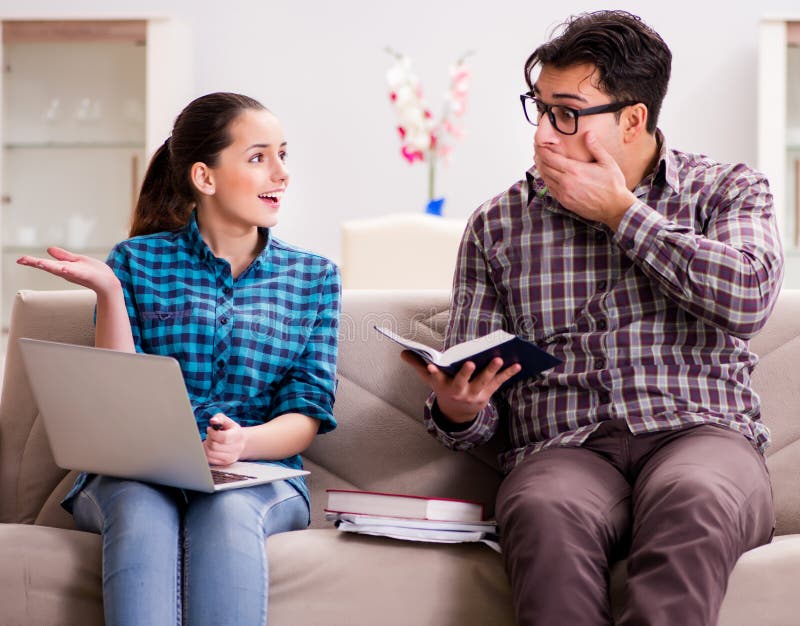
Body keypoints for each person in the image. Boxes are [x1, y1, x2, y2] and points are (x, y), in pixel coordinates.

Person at [400, 11, 783, 626]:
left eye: (568, 113)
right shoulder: (497, 225)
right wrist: (460, 407)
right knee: (542, 508)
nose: (544, 135)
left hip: (703, 436)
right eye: (540, 107)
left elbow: (748, 297)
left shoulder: (726, 191)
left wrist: (622, 215)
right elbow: (475, 412)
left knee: (696, 497)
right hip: (564, 449)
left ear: (633, 119)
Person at [17, 92, 340, 625]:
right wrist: (110, 293)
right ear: (204, 177)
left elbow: (306, 413)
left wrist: (241, 444)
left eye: (284, 154)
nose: (281, 173)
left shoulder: (315, 278)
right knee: (142, 511)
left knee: (228, 511)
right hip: (136, 473)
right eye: (259, 157)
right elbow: (116, 396)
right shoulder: (135, 261)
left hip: (257, 473)